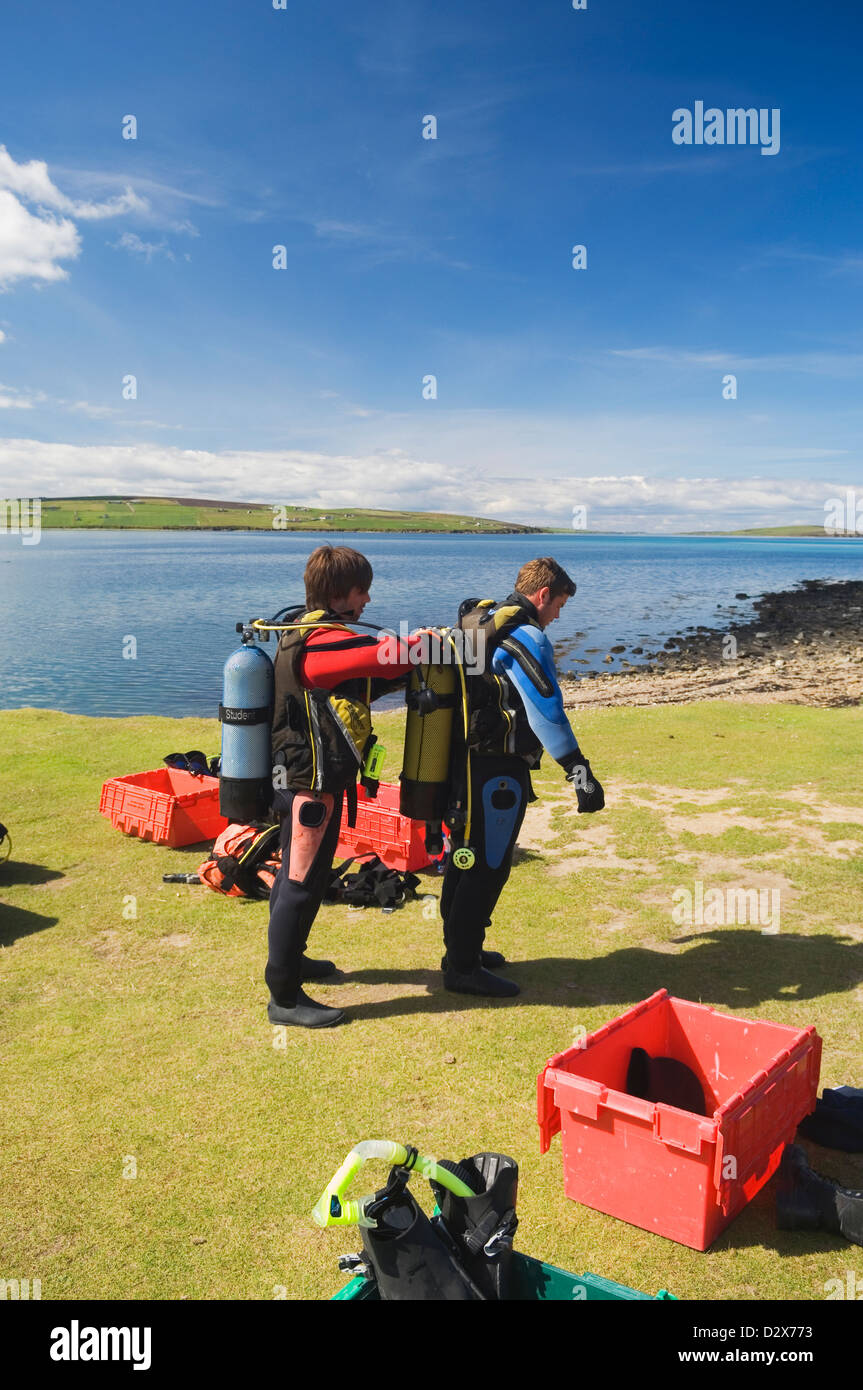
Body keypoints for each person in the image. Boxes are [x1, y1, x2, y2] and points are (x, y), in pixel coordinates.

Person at [266, 545, 425, 1029]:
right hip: (308, 783)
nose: (368, 600)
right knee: (300, 878)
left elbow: (361, 679)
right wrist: (432, 642)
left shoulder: (308, 632)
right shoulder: (317, 643)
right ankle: (285, 997)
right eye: (362, 590)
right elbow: (387, 654)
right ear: (340, 595)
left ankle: (294, 962)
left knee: (307, 875)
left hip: (306, 777)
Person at [440, 556, 605, 998]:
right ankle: (461, 967)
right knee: (488, 865)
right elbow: (546, 709)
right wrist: (578, 770)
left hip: (466, 764)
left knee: (466, 856)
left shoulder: (485, 622)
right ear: (543, 594)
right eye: (559, 606)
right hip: (497, 769)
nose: (557, 616)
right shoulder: (526, 635)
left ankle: (461, 950)